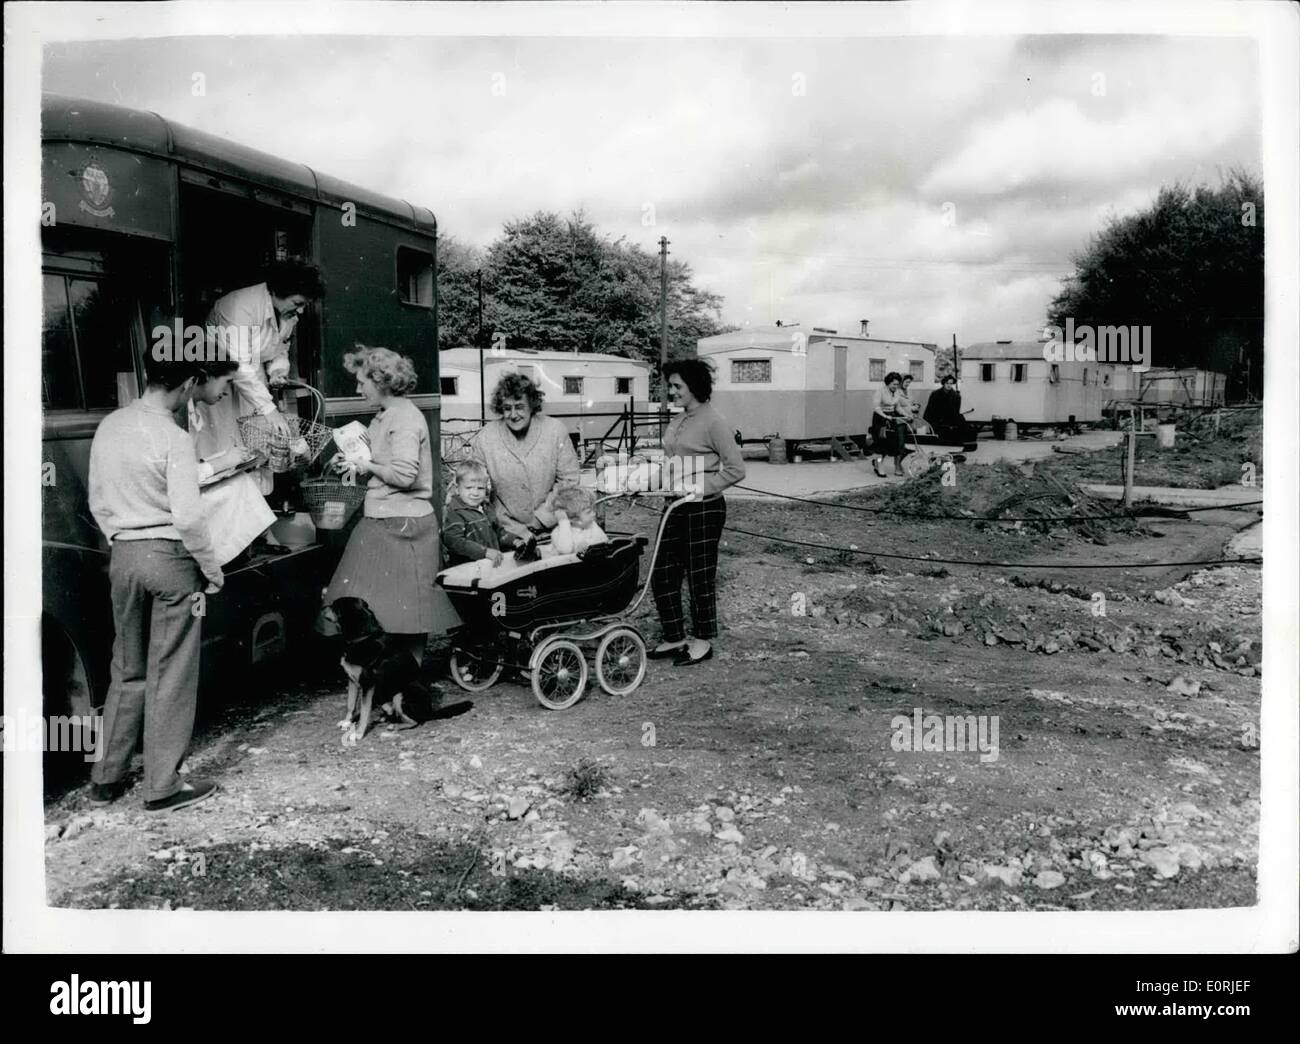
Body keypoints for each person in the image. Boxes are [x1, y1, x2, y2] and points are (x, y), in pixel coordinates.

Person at [86, 353, 223, 812]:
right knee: (173, 672)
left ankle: (106, 777)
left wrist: (122, 540)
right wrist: (211, 566)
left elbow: (98, 500)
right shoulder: (174, 436)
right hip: (169, 559)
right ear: (187, 385)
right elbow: (187, 516)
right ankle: (162, 785)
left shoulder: (110, 425)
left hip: (123, 555)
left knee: (126, 666)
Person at [323, 346, 461, 666]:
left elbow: (404, 474)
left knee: (409, 612)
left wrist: (366, 465)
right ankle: (385, 680)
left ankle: (405, 684)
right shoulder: (384, 416)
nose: (358, 389)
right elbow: (380, 459)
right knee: (380, 604)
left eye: (361, 382)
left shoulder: (405, 418)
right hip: (384, 518)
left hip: (404, 523)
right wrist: (353, 462)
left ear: (380, 381)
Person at [640, 358, 745, 667]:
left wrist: (703, 486)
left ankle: (701, 640)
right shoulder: (679, 419)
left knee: (699, 576)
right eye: (669, 386)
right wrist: (647, 478)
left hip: (704, 507)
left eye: (677, 386)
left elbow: (737, 469)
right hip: (674, 504)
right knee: (662, 572)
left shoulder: (714, 421)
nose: (671, 391)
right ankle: (674, 636)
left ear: (695, 387)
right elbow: (672, 461)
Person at [191, 258, 326, 496]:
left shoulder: (288, 315)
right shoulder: (238, 306)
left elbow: (280, 348)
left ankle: (256, 522)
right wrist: (268, 409)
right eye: (298, 303)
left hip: (254, 387)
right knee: (225, 459)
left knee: (257, 459)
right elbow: (240, 365)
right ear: (278, 291)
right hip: (221, 390)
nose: (301, 310)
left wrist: (277, 372)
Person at [186, 358, 277, 568]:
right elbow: (179, 476)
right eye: (226, 381)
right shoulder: (179, 413)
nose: (227, 391)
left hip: (185, 491)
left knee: (240, 480)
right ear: (206, 377)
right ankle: (223, 561)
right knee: (238, 487)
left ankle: (236, 556)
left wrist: (232, 461)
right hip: (176, 504)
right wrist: (223, 462)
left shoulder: (191, 410)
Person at [470, 372, 581, 542]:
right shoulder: (486, 436)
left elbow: (569, 481)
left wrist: (541, 519)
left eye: (520, 407)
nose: (513, 415)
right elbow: (474, 482)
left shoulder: (555, 431)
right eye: (507, 408)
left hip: (553, 530)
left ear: (532, 405)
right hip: (505, 532)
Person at [442, 459, 518, 566]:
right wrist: (484, 552)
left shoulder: (486, 508)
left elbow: (499, 533)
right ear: (457, 489)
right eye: (469, 488)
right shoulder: (455, 512)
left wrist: (515, 541)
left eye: (480, 488)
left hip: (492, 565)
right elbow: (454, 541)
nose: (475, 493)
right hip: (468, 570)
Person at [871, 371, 910, 478]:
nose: (896, 387)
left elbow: (897, 407)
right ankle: (879, 464)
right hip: (880, 419)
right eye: (894, 384)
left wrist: (906, 414)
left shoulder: (896, 392)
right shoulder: (880, 391)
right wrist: (885, 416)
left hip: (892, 418)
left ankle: (888, 465)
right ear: (888, 383)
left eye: (897, 385)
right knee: (881, 444)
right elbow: (876, 407)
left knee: (893, 443)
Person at [549, 485, 609, 555]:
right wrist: (564, 523)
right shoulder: (558, 532)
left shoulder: (591, 525)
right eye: (589, 512)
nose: (594, 513)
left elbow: (604, 540)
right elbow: (565, 550)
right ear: (575, 519)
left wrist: (589, 543)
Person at [923, 374, 972, 445]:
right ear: (943, 383)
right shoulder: (935, 394)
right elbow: (930, 408)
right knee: (937, 439)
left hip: (949, 420)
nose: (949, 385)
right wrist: (928, 421)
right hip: (936, 419)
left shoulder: (956, 396)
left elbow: (956, 411)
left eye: (951, 383)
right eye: (947, 383)